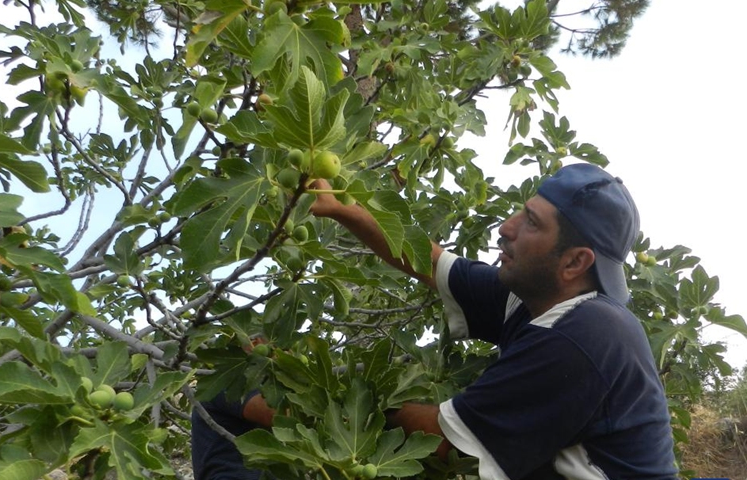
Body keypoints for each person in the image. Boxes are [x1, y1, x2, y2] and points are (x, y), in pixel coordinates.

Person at [191, 163, 678, 479]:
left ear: (574, 262)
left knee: (223, 397)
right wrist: (343, 209)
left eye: (531, 222)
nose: (506, 227)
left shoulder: (587, 336)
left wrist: (312, 401)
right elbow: (430, 260)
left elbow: (444, 443)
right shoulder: (531, 296)